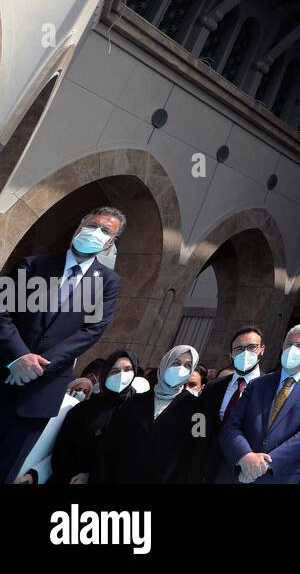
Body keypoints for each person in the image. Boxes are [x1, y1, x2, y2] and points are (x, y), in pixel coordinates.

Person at [0, 207, 124, 483]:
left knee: (9, 465)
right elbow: (3, 312)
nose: (96, 232)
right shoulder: (32, 265)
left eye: (106, 231)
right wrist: (19, 357)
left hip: (45, 386)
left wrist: (39, 365)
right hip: (6, 372)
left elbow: (92, 330)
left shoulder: (107, 282)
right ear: (79, 226)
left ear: (111, 242)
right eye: (93, 225)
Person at [218, 323, 300, 484]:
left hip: (279, 477)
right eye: (289, 344)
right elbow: (231, 425)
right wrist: (246, 456)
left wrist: (264, 464)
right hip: (240, 473)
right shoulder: (258, 384)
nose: (292, 349)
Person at [95, 344, 201, 483]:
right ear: (165, 363)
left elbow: (198, 450)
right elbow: (110, 444)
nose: (180, 369)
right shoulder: (134, 402)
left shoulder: (198, 409)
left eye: (187, 366)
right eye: (176, 362)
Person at [49, 349, 137, 485]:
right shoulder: (83, 410)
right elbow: (62, 450)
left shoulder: (137, 412)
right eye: (114, 371)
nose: (121, 376)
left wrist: (94, 476)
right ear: (105, 375)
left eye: (127, 369)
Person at [193, 325, 264, 483]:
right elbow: (199, 420)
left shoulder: (269, 389)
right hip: (205, 468)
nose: (245, 353)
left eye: (252, 347)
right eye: (239, 349)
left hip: (241, 472)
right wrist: (196, 448)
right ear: (231, 354)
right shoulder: (214, 386)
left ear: (262, 349)